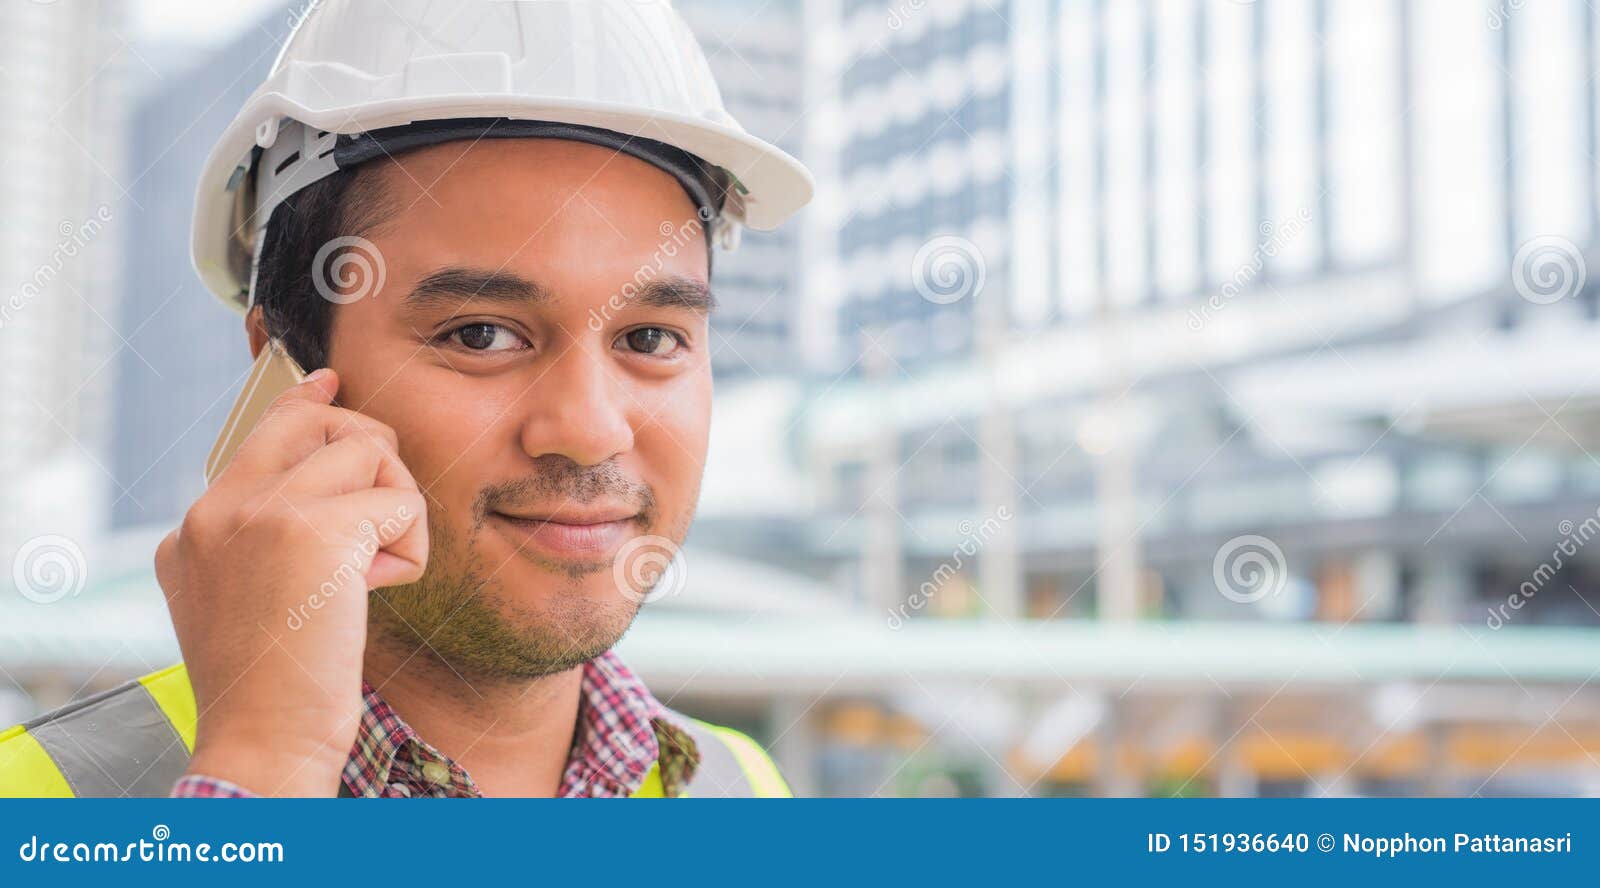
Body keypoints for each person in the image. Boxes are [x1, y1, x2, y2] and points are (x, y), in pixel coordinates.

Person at [0, 0, 811, 798]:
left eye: (649, 339)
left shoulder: (741, 791)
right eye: (482, 335)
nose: (591, 431)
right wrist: (263, 765)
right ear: (281, 373)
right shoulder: (45, 800)